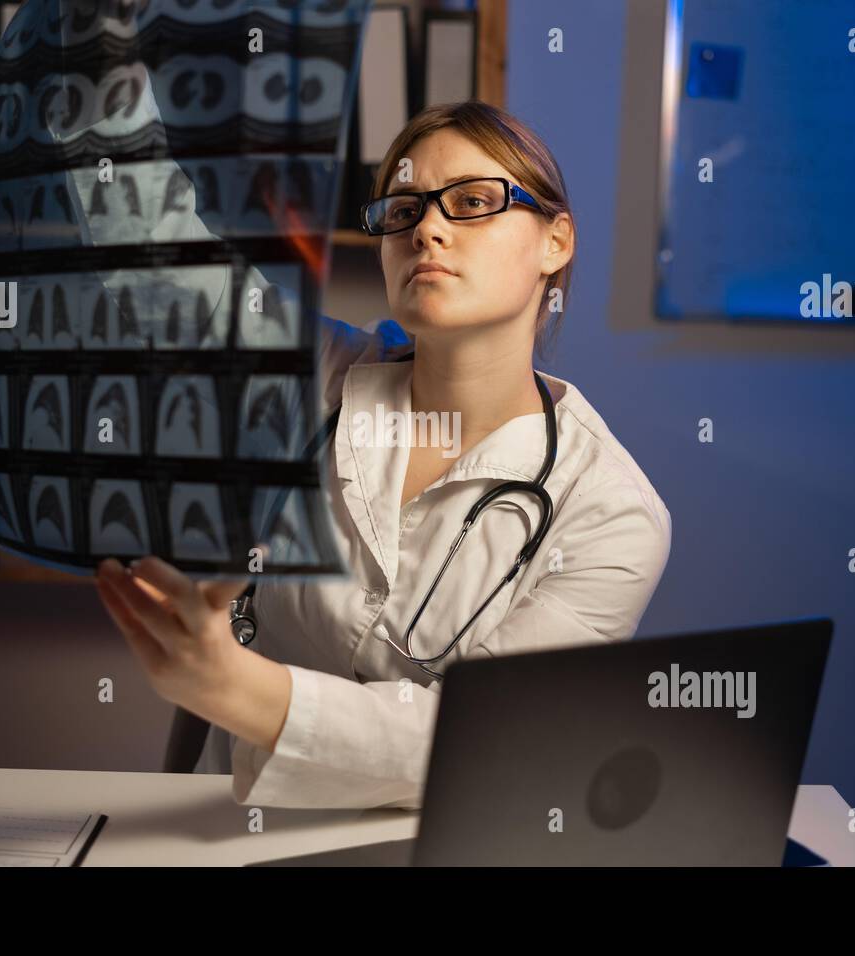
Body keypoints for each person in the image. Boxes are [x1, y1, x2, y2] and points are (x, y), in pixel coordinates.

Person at [94, 101, 672, 810]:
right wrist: (97, 68)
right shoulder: (315, 376)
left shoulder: (611, 513)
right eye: (403, 210)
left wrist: (231, 685)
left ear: (556, 242)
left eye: (471, 202)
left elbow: (483, 736)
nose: (427, 228)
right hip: (227, 829)